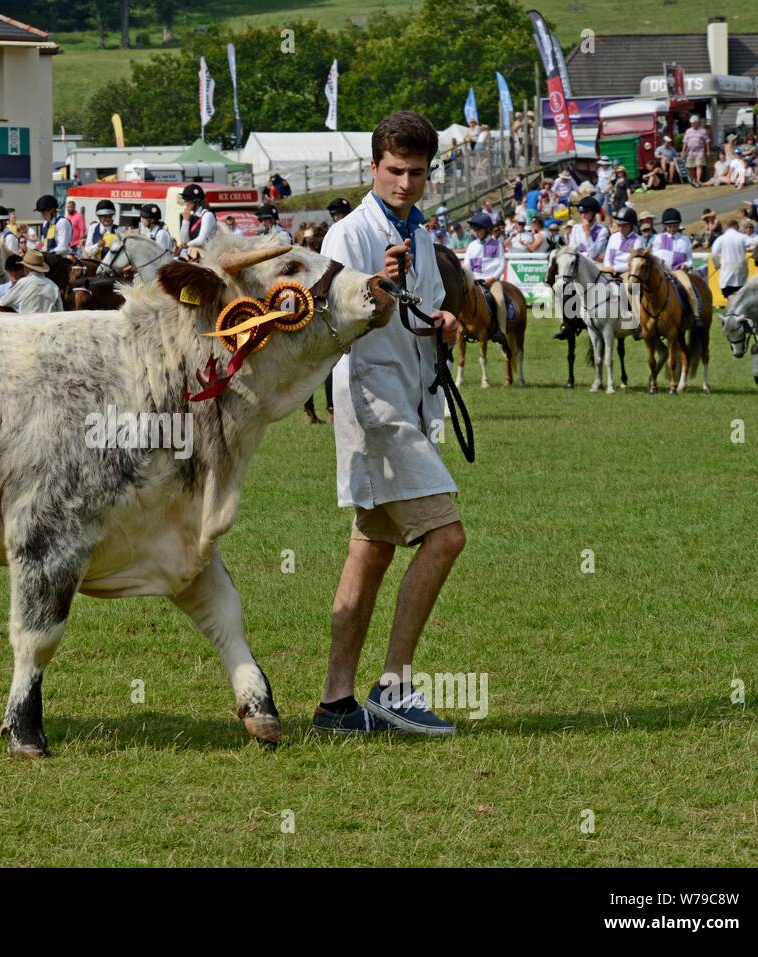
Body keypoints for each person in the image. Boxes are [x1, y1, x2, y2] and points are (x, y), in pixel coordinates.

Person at [316, 110, 462, 736]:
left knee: (372, 551)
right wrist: (378, 287)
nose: (406, 183)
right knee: (446, 536)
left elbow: (421, 309)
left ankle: (334, 705)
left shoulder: (422, 235)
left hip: (410, 399)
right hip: (374, 405)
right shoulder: (346, 236)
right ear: (373, 167)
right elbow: (330, 324)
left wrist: (442, 321)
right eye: (395, 171)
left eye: (418, 173)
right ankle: (394, 686)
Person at [465, 211, 508, 330]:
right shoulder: (471, 245)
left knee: (499, 300)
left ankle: (501, 330)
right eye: (474, 228)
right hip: (474, 282)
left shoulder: (497, 244)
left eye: (478, 229)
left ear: (487, 229)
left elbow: (501, 265)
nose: (475, 231)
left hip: (492, 282)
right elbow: (467, 265)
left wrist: (493, 278)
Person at [0, 248, 62, 313]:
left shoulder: (23, 282)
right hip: (49, 321)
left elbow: (2, 302)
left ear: (26, 267)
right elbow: (60, 311)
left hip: (28, 321)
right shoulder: (54, 286)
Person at [711, 218, 750, 301]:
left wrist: (717, 265)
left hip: (727, 269)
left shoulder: (721, 238)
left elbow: (714, 254)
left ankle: (734, 307)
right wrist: (755, 256)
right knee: (740, 291)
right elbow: (754, 244)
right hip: (741, 269)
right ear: (736, 226)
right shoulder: (743, 237)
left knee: (727, 292)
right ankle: (737, 307)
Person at [177, 183, 217, 256]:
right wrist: (185, 221)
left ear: (196, 201)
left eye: (187, 200)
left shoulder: (207, 215)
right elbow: (184, 240)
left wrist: (186, 245)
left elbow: (202, 240)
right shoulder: (192, 216)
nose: (185, 203)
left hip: (207, 255)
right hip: (193, 253)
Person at [601, 207, 640, 277]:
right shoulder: (613, 237)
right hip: (610, 271)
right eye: (619, 225)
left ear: (631, 225)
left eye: (624, 225)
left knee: (632, 287)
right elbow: (607, 257)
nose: (620, 229)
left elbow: (634, 263)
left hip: (627, 274)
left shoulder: (638, 240)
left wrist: (614, 269)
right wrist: (608, 268)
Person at [683, 115, 711, 186]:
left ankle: (698, 181)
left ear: (697, 123)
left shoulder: (703, 131)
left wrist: (708, 151)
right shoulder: (688, 131)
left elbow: (707, 141)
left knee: (699, 165)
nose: (693, 124)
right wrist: (683, 151)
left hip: (700, 151)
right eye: (692, 123)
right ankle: (693, 179)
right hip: (690, 151)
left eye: (694, 123)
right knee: (689, 166)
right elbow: (685, 141)